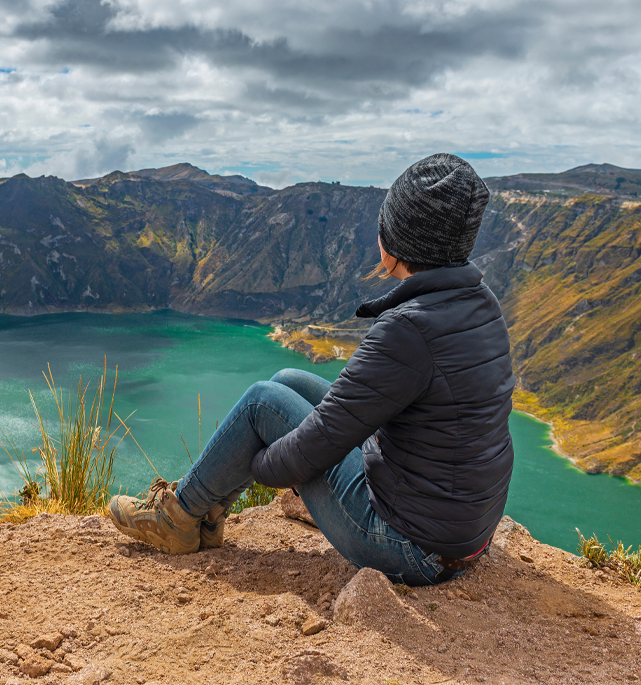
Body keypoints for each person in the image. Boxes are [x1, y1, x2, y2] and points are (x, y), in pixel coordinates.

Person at [108, 153, 514, 586]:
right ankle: (205, 515)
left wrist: (262, 462)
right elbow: (354, 416)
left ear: (398, 238)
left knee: (261, 404)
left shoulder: (407, 328)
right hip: (463, 533)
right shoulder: (478, 301)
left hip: (411, 547)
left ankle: (176, 517)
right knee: (288, 381)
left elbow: (318, 443)